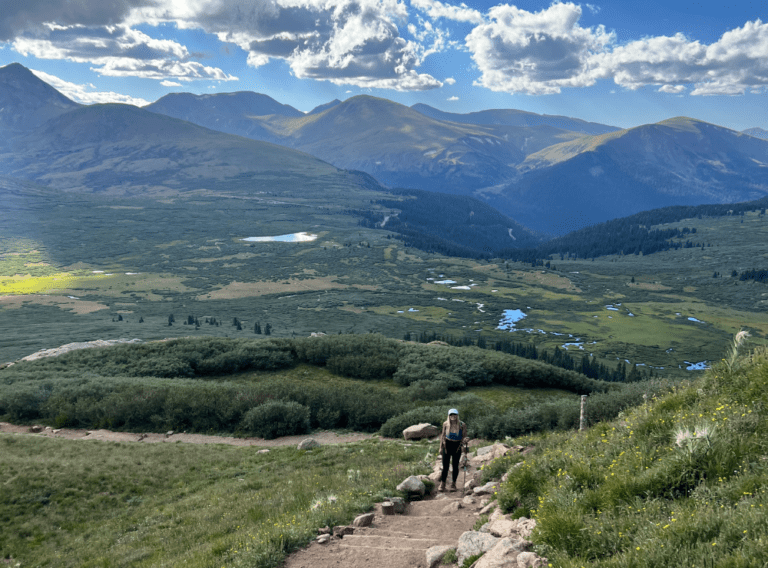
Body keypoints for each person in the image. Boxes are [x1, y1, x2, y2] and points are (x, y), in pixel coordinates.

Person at [438, 408, 467, 492]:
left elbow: (464, 436)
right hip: (447, 445)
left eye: (454, 414)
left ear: (457, 415)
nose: (453, 416)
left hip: (457, 445)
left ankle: (453, 484)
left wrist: (465, 440)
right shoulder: (445, 424)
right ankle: (442, 484)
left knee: (455, 465)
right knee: (445, 466)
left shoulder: (462, 424)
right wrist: (440, 447)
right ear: (449, 415)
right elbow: (443, 436)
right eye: (451, 414)